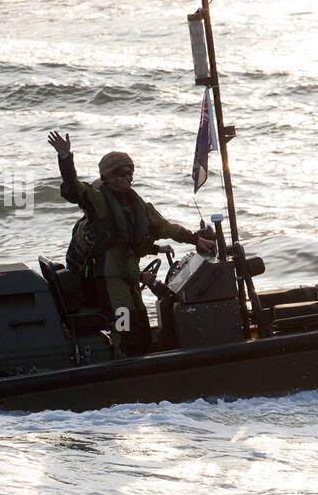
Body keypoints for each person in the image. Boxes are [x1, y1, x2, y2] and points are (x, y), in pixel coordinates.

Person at [47, 131, 215, 356]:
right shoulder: (98, 201)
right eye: (122, 172)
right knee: (124, 326)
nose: (128, 176)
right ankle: (121, 366)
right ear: (108, 176)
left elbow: (166, 228)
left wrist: (196, 240)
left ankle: (146, 366)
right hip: (109, 278)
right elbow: (74, 188)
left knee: (142, 325)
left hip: (130, 276)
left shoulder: (138, 205)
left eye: (130, 172)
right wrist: (66, 157)